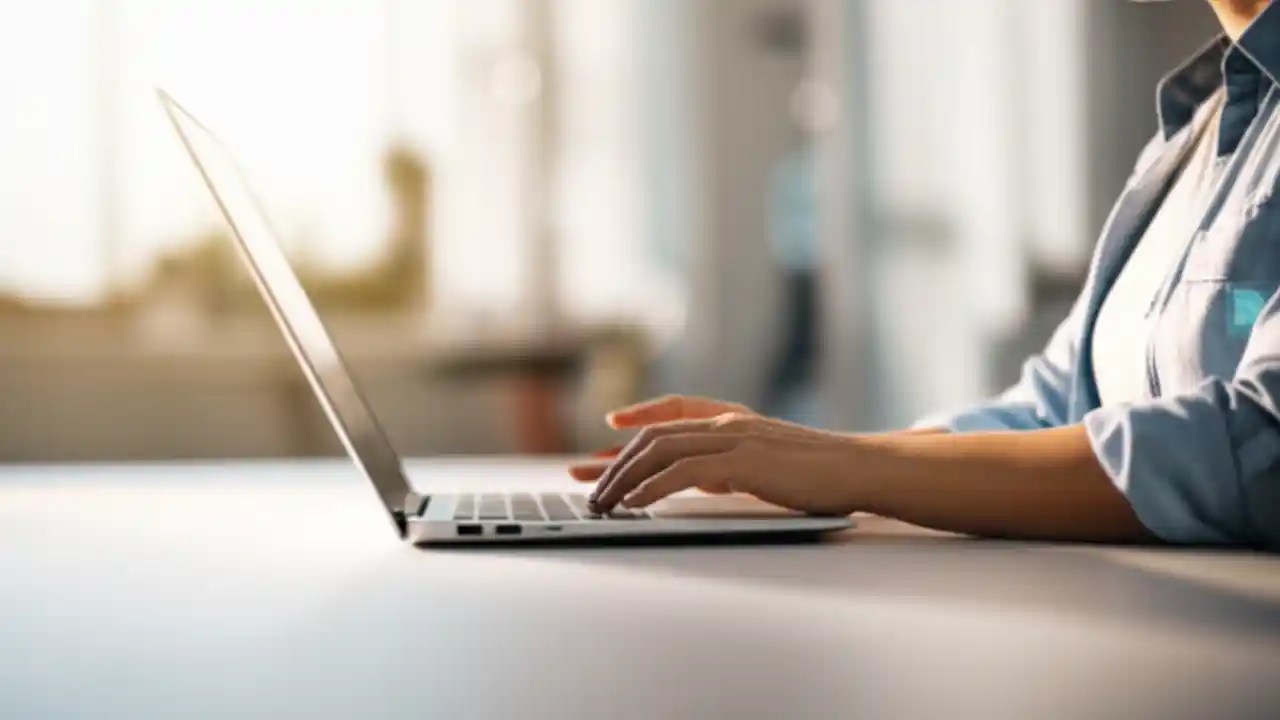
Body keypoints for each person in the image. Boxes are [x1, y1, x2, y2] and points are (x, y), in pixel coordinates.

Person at [572, 0, 1280, 549]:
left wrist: (853, 471)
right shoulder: (1198, 125)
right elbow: (1054, 411)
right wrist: (795, 455)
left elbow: (1261, 449)